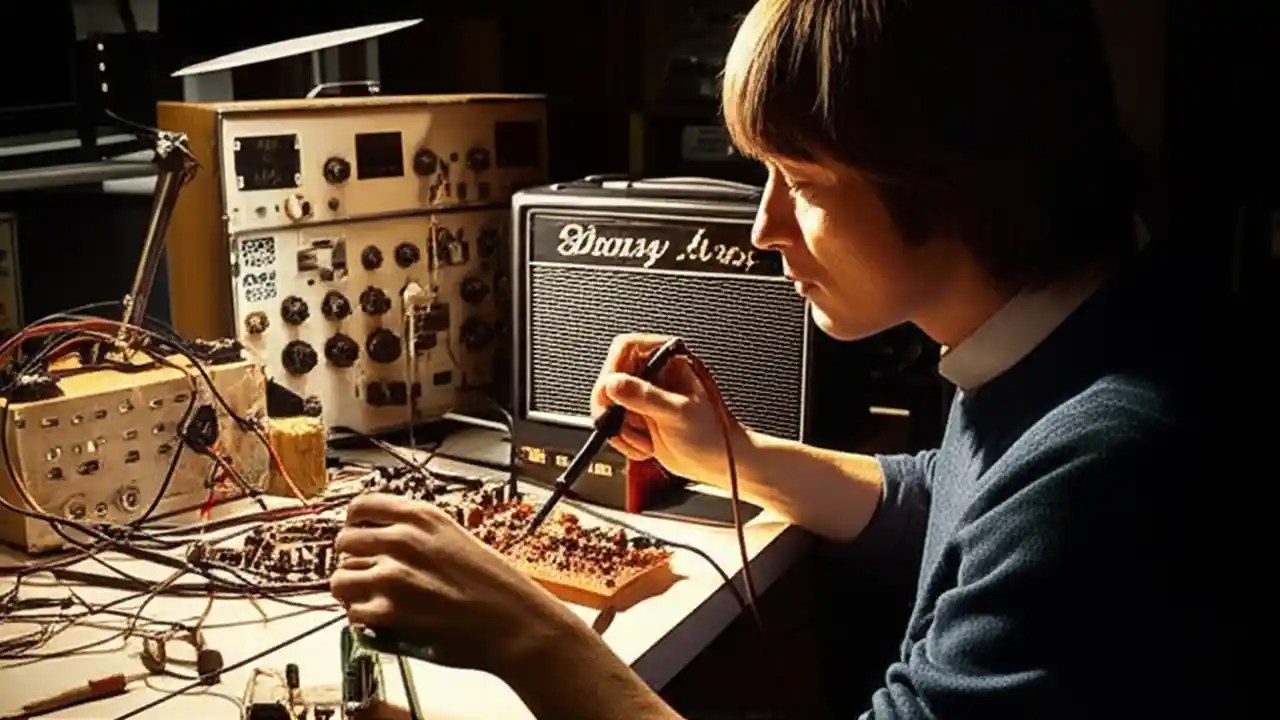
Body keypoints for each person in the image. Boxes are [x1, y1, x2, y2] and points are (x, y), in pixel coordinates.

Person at [329, 0, 1262, 717]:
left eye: (802, 181)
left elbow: (1030, 514)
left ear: (951, 174)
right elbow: (954, 501)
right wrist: (732, 457)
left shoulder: (1108, 467)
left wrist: (527, 636)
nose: (764, 227)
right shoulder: (1083, 333)